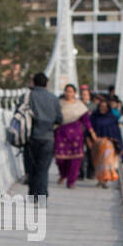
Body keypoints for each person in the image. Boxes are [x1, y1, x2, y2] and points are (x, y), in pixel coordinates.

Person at [24, 71, 62, 199]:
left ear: (34, 82)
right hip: (47, 138)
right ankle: (42, 196)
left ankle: (33, 194)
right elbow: (59, 119)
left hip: (30, 137)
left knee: (31, 167)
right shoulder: (54, 98)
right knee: (43, 169)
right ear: (47, 84)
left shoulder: (28, 96)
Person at [54, 83, 94, 188]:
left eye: (71, 91)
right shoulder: (59, 104)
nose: (68, 93)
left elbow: (86, 121)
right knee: (60, 159)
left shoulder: (80, 105)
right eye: (67, 91)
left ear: (75, 93)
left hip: (76, 135)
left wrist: (92, 133)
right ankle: (63, 174)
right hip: (61, 133)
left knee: (75, 159)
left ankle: (71, 181)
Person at [89, 97, 123, 187]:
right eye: (101, 106)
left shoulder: (112, 118)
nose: (103, 108)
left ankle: (104, 180)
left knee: (106, 162)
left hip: (109, 144)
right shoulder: (94, 117)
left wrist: (119, 144)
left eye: (105, 106)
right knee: (97, 162)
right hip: (96, 143)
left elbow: (116, 132)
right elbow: (89, 130)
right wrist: (88, 140)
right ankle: (100, 179)